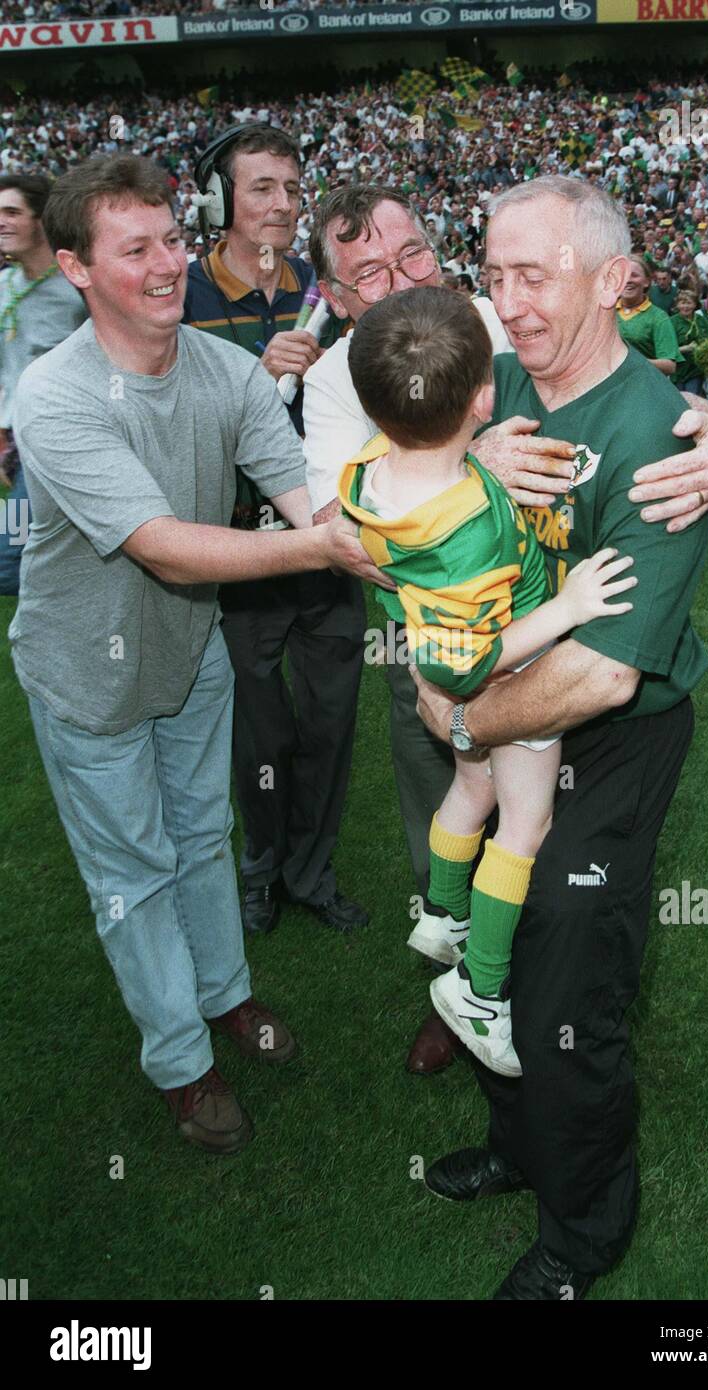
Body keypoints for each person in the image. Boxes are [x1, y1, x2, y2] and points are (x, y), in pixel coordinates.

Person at [304, 181, 708, 1079]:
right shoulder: (373, 377)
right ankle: (475, 1003)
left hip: (554, 690)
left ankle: (563, 1173)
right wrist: (457, 459)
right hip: (465, 659)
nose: (507, 301)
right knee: (493, 859)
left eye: (415, 255)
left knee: (558, 920)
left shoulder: (498, 337)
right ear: (338, 297)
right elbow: (346, 527)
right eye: (368, 271)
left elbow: (617, 376)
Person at [8, 156, 375, 1156]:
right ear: (78, 267)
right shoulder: (54, 396)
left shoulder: (222, 370)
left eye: (174, 238)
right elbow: (163, 542)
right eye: (138, 249)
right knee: (131, 868)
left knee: (201, 838)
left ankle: (224, 999)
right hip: (87, 672)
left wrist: (368, 537)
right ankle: (181, 1062)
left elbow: (299, 488)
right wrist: (318, 549)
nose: (170, 263)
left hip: (189, 649)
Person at [408, 174, 708, 1301]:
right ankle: (517, 1143)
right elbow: (392, 497)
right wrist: (460, 468)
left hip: (608, 733)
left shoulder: (661, 436)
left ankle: (581, 1236)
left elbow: (600, 667)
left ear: (613, 280)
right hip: (507, 728)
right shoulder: (490, 395)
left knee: (566, 979)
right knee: (490, 952)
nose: (508, 302)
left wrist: (460, 717)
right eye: (493, 277)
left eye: (531, 275)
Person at [340, 286, 637, 1077]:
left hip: (430, 644)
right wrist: (568, 606)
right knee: (524, 824)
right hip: (504, 665)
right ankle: (479, 992)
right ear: (483, 397)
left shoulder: (366, 472)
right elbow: (476, 655)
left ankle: (442, 914)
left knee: (470, 791)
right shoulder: (471, 518)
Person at [183, 124, 368, 938]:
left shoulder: (320, 289)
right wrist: (254, 384)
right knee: (261, 734)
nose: (286, 205)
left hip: (329, 544)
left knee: (330, 725)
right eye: (262, 188)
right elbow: (169, 437)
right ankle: (260, 870)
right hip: (239, 551)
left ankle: (310, 871)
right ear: (219, 201)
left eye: (293, 189)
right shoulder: (178, 296)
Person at [0, 173, 87, 595]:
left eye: (12, 212)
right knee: (17, 551)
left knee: (8, 553)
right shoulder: (2, 287)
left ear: (41, 220)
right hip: (19, 445)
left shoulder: (77, 290)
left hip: (64, 442)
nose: (1, 222)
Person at [616, 257, 682, 377]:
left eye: (634, 275)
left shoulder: (658, 317)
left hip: (642, 387)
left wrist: (633, 362)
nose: (627, 280)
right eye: (623, 275)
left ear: (646, 281)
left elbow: (670, 365)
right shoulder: (605, 312)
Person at [670, 287, 708, 396]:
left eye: (689, 303)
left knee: (692, 399)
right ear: (677, 305)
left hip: (695, 369)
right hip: (678, 370)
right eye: (682, 303)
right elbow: (667, 350)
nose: (685, 306)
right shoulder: (672, 322)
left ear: (695, 305)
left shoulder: (701, 320)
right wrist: (685, 348)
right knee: (679, 400)